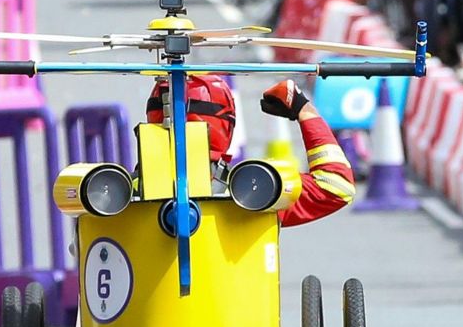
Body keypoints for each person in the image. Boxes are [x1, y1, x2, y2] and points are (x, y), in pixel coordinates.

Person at [143, 76, 355, 225]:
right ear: (226, 123)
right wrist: (303, 109)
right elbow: (337, 186)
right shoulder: (257, 189)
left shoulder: (126, 191)